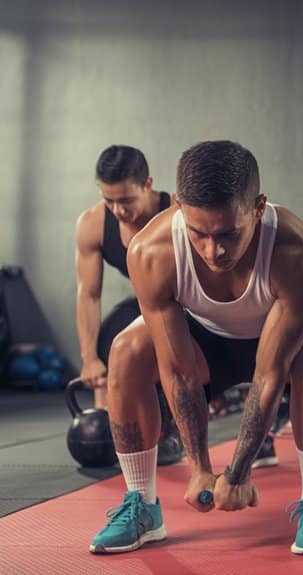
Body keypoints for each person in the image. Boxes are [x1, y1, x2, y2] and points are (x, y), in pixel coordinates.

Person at [89, 141, 303, 556]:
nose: (214, 250)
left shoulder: (301, 251)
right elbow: (178, 370)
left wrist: (238, 472)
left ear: (258, 207)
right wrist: (201, 470)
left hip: (275, 341)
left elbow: (270, 372)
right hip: (203, 344)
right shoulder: (152, 252)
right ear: (179, 207)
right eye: (199, 234)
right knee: (126, 348)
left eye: (228, 233)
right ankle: (143, 504)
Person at [74, 145, 182, 466]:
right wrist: (90, 358)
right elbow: (89, 295)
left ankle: (168, 431)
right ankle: (110, 429)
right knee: (111, 340)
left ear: (147, 184)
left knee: (161, 349)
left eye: (126, 201)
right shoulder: (93, 223)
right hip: (147, 300)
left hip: (187, 301)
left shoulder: (177, 212)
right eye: (109, 200)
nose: (118, 210)